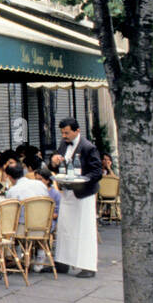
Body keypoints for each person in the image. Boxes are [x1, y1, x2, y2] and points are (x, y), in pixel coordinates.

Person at [54, 118, 102, 277]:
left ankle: (87, 265)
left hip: (83, 193)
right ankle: (62, 262)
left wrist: (82, 179)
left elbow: (97, 172)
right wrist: (53, 161)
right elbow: (56, 164)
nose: (64, 135)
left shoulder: (89, 147)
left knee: (84, 229)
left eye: (67, 132)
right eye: (62, 132)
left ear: (77, 131)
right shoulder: (63, 144)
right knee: (65, 227)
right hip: (67, 191)